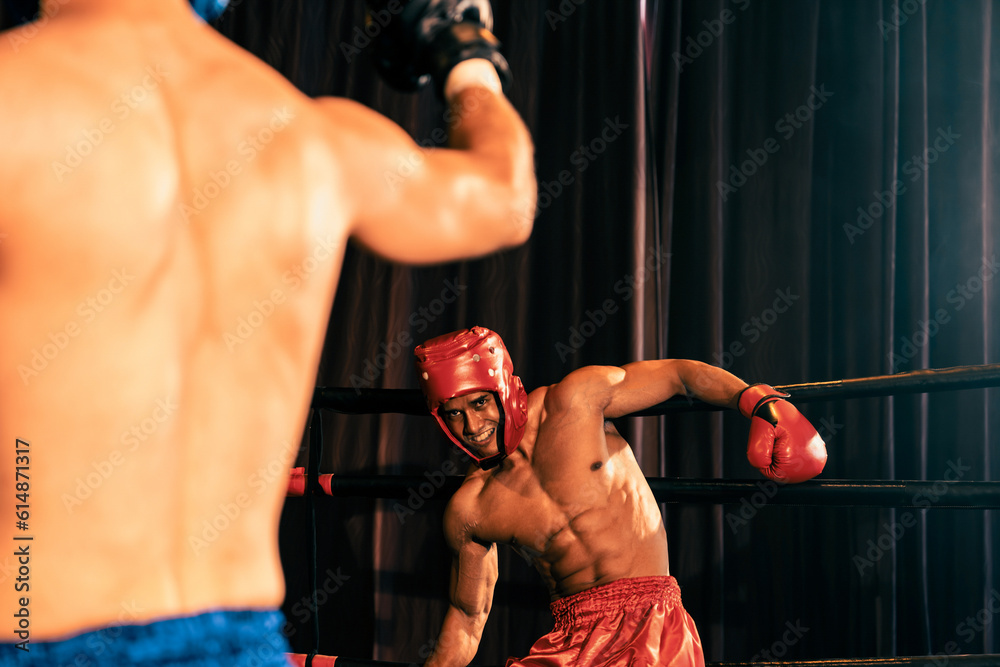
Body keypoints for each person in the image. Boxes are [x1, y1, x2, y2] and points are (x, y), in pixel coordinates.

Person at [0, 0, 535, 662]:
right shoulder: (309, 134)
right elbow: (505, 196)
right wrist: (467, 57)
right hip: (236, 635)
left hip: (35, 625)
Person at [413, 326, 827, 667]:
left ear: (504, 388)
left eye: (480, 402)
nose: (472, 425)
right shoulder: (471, 507)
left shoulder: (575, 400)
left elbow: (678, 375)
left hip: (652, 623)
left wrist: (757, 401)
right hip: (568, 641)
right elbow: (468, 617)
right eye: (454, 412)